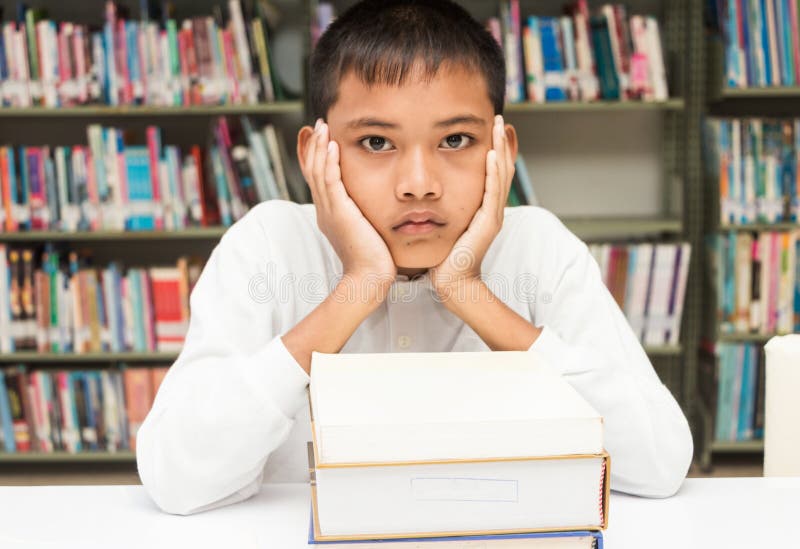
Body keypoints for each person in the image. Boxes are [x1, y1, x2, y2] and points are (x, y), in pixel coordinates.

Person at [136, 0, 693, 515]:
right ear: (314, 155)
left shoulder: (538, 249)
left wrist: (471, 293)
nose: (419, 185)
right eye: (377, 143)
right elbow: (177, 479)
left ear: (501, 150)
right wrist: (358, 286)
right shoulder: (268, 246)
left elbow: (660, 463)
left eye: (455, 141)